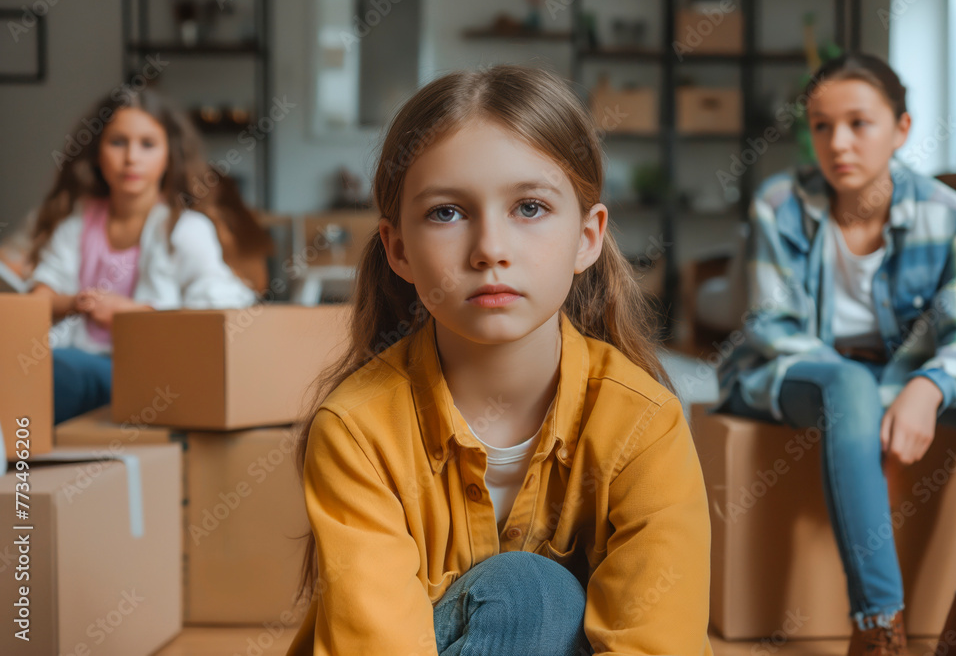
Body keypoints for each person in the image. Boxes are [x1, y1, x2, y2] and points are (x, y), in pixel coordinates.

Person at [286, 64, 713, 655]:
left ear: (588, 237)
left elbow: (658, 641)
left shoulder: (647, 423)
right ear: (399, 250)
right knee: (532, 591)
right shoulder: (356, 430)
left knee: (538, 594)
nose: (490, 249)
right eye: (447, 212)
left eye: (530, 208)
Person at [715, 52, 956, 656]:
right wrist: (871, 395)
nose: (837, 142)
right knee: (848, 385)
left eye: (859, 123)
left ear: (902, 128)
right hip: (789, 376)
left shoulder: (949, 217)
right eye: (821, 125)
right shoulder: (780, 203)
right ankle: (879, 629)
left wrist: (926, 388)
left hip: (892, 378)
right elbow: (772, 325)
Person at [25, 88, 258, 424]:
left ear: (170, 155)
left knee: (52, 374)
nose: (131, 157)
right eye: (118, 142)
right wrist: (76, 302)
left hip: (143, 374)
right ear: (96, 152)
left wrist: (133, 313)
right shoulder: (76, 223)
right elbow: (39, 298)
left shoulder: (187, 229)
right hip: (70, 357)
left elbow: (217, 315)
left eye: (148, 144)